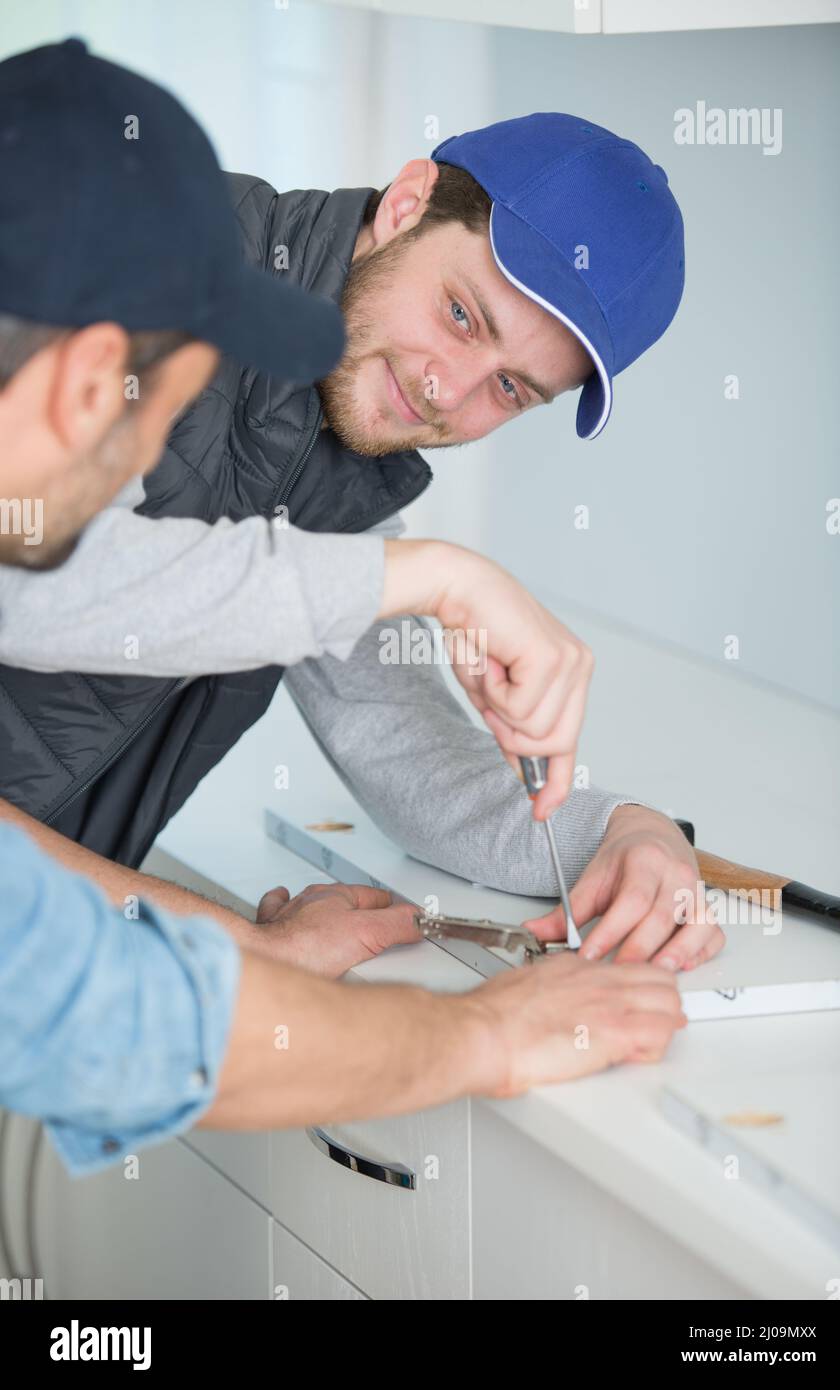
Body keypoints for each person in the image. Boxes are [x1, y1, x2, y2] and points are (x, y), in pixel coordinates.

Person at [0, 41, 692, 1176]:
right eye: (463, 316)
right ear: (406, 200)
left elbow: (399, 743)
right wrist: (474, 1032)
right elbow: (41, 582)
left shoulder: (332, 460)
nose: (448, 391)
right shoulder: (149, 257)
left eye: (509, 388)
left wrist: (626, 831)